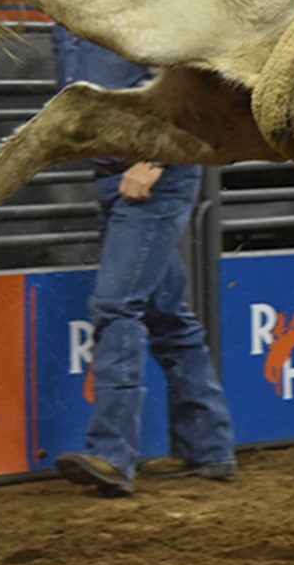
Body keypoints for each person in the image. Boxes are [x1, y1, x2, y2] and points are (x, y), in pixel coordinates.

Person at [52, 29, 238, 497]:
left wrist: (153, 161)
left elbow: (195, 89)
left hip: (151, 179)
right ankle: (207, 447)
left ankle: (113, 454)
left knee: (117, 306)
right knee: (166, 314)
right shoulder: (68, 28)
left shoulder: (129, 18)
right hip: (115, 179)